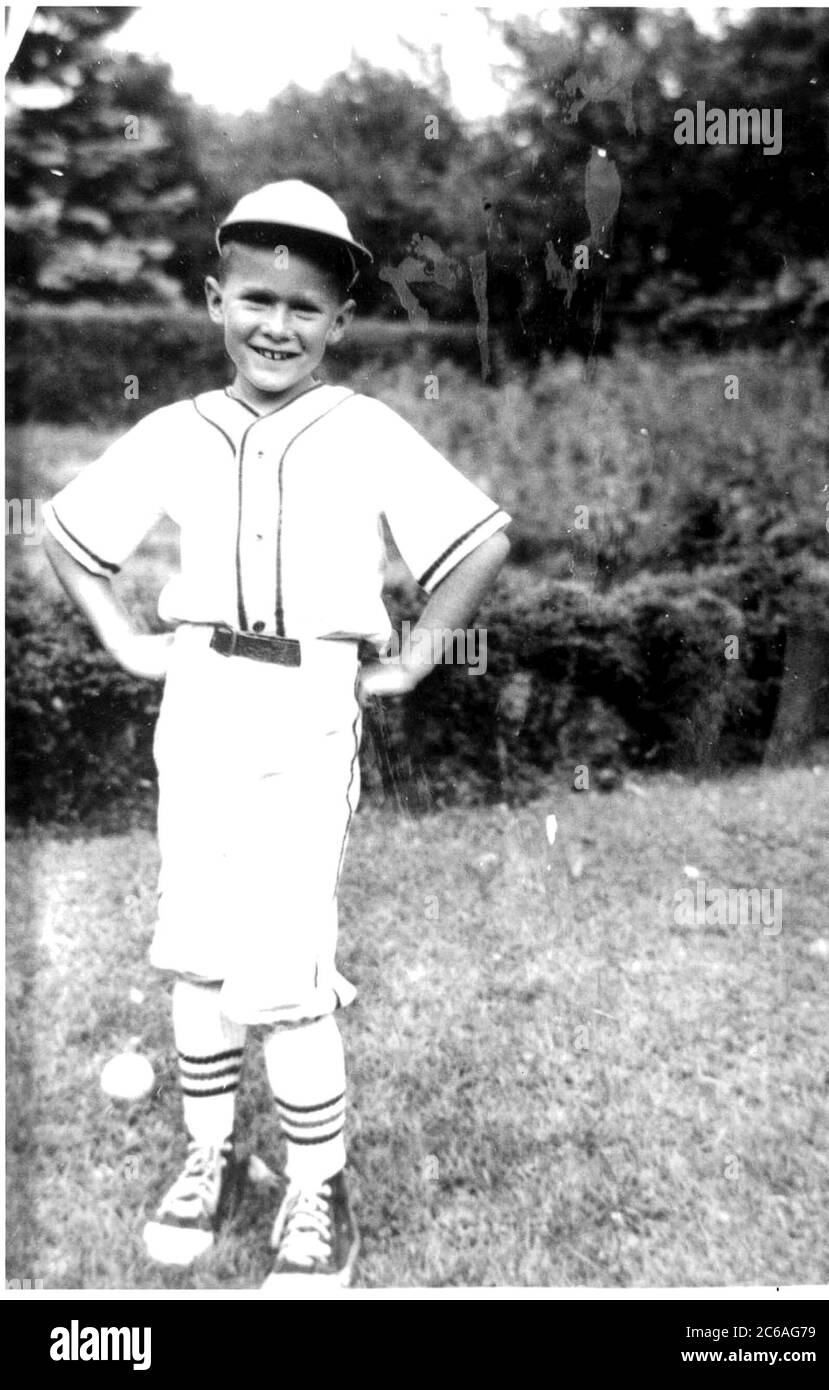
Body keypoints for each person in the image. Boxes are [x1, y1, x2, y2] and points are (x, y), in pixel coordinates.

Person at [43, 180, 511, 1290]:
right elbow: (71, 534)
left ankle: (317, 1183)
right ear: (216, 301)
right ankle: (208, 1154)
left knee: (288, 958)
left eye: (305, 308)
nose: (277, 325)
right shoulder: (176, 430)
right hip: (200, 695)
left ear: (339, 322)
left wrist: (411, 658)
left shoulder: (365, 430)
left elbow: (480, 537)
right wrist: (125, 641)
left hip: (307, 703)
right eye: (256, 298)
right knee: (198, 946)